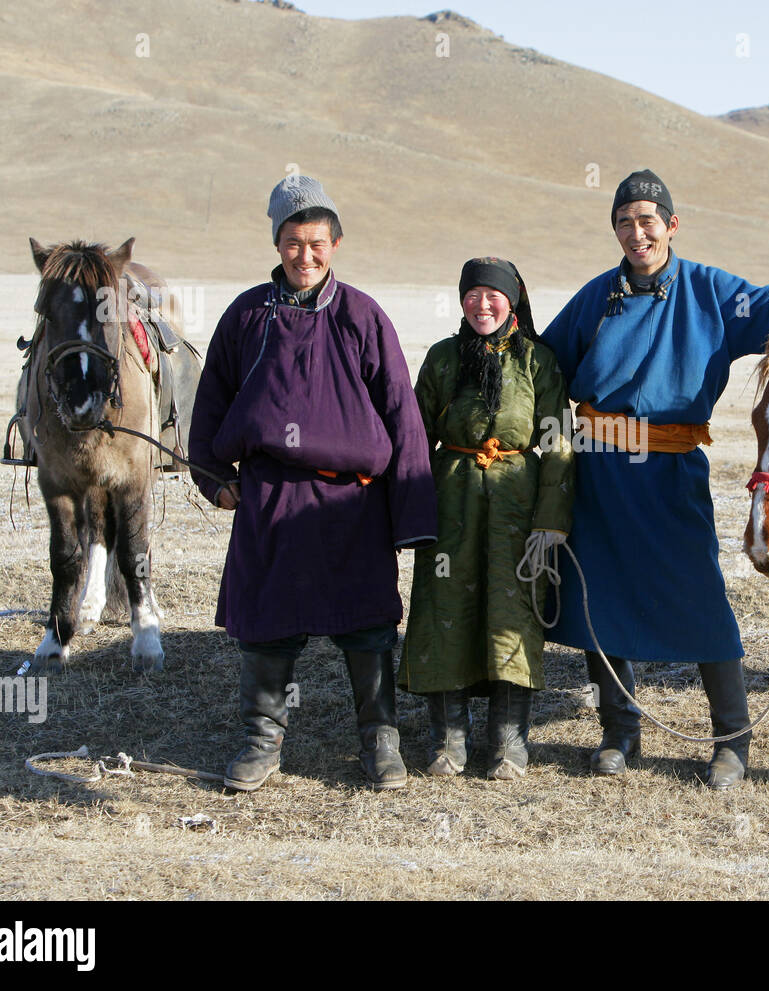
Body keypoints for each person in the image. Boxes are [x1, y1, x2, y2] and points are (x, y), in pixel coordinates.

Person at [541, 169, 769, 789]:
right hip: (598, 470)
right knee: (597, 596)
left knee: (701, 598)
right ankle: (619, 731)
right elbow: (544, 365)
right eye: (625, 222)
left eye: (648, 221)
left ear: (671, 226)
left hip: (670, 469)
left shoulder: (712, 293)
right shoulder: (596, 298)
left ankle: (732, 739)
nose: (637, 233)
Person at [188, 174, 436, 792]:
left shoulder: (362, 316)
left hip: (353, 501)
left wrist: (411, 514)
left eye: (318, 242)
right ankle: (260, 741)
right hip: (271, 497)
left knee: (370, 625)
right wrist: (214, 479)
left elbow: (402, 415)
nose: (306, 255)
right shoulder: (247, 316)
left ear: (337, 242)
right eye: (294, 242)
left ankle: (380, 741)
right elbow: (211, 404)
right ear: (277, 244)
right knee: (266, 623)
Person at [399, 258, 573, 780]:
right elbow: (412, 438)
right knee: (444, 607)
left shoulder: (539, 363)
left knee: (512, 612)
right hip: (451, 501)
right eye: (472, 295)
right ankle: (448, 741)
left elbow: (557, 442)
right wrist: (409, 510)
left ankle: (508, 741)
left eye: (492, 295)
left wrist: (551, 521)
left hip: (517, 508)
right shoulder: (442, 359)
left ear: (512, 300)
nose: (482, 305)